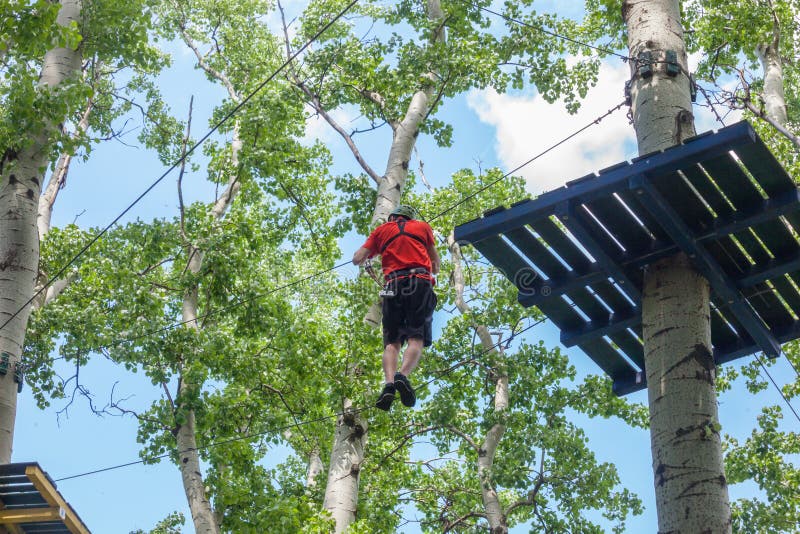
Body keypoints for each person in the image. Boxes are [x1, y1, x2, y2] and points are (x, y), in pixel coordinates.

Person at [352, 204, 440, 411]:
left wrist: (372, 254)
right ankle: (403, 375)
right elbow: (435, 265)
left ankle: (389, 384)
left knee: (391, 343)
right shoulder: (422, 227)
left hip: (393, 286)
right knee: (416, 337)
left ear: (392, 217)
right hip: (419, 282)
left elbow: (357, 258)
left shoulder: (381, 231)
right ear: (410, 218)